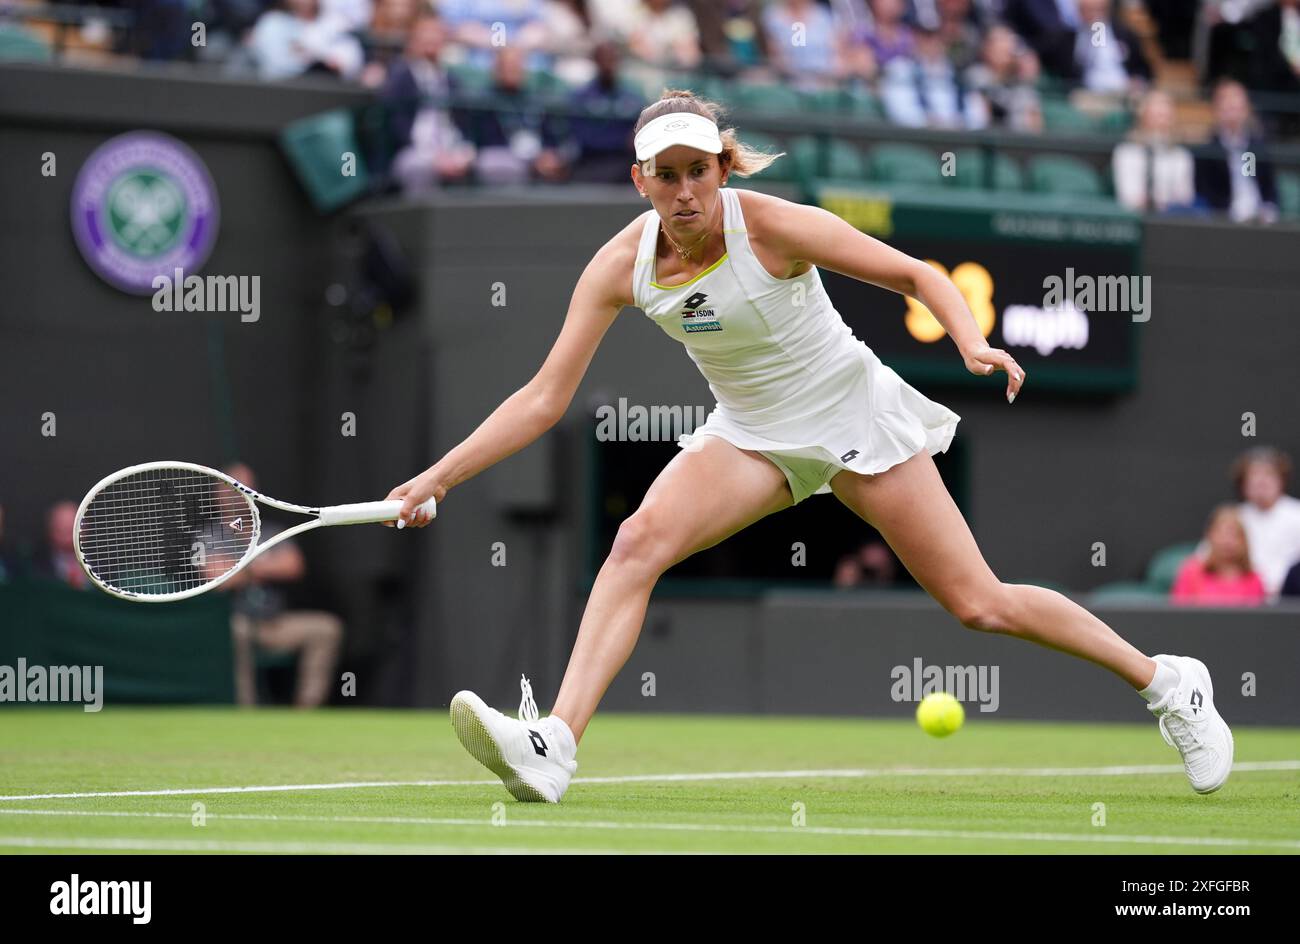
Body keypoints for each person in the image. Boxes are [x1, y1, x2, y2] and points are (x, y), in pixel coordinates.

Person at [386, 89, 1233, 802]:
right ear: (641, 181)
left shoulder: (778, 227)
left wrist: (969, 341)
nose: (685, 192)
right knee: (637, 543)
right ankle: (555, 746)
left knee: (980, 604)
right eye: (666, 176)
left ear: (722, 168)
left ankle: (1168, 683)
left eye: (698, 172)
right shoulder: (620, 266)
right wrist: (437, 477)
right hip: (751, 434)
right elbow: (543, 397)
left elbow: (919, 276)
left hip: (854, 418)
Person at [220, 464, 343, 708]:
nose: (240, 493)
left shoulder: (272, 531)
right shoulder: (210, 535)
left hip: (275, 623)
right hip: (234, 623)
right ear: (219, 493)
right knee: (236, 632)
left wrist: (243, 568)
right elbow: (221, 578)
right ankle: (245, 712)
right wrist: (264, 564)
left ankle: (305, 711)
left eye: (246, 487)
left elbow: (292, 567)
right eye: (233, 487)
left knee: (327, 628)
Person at [1193, 79, 1280, 223]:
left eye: (1237, 108)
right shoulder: (1207, 150)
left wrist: (1268, 208)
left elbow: (1266, 187)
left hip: (1259, 218)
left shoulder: (1254, 147)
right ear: (1217, 111)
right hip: (1224, 219)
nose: (1233, 114)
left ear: (1246, 110)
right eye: (1228, 108)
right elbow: (1205, 194)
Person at [1231, 447, 1300, 601]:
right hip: (1242, 601)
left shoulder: (1297, 514)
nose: (1261, 481)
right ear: (1243, 483)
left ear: (1281, 480)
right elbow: (1205, 558)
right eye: (1254, 475)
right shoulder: (1234, 517)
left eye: (1268, 474)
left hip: (1290, 600)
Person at [1111, 89, 1195, 213]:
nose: (1161, 120)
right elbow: (1126, 197)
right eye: (1156, 115)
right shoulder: (1126, 152)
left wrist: (1165, 205)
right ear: (1143, 116)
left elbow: (1185, 197)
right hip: (1135, 218)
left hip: (1171, 219)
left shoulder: (1181, 156)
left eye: (1165, 116)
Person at [1171, 505, 1267, 606]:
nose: (1227, 541)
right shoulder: (1190, 572)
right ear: (1209, 536)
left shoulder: (1254, 579)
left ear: (1243, 540)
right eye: (1221, 534)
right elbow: (1178, 613)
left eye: (1234, 535)